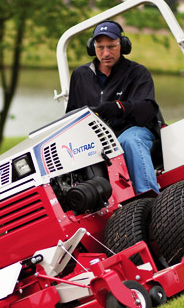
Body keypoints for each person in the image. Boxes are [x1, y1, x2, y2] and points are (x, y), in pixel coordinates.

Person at [66, 20, 161, 195]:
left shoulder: (138, 73)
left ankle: (149, 198)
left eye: (111, 46)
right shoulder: (80, 75)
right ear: (92, 47)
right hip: (97, 138)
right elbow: (71, 114)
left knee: (129, 141)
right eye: (100, 47)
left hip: (134, 130)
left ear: (123, 45)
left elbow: (147, 110)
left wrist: (119, 107)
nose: (106, 53)